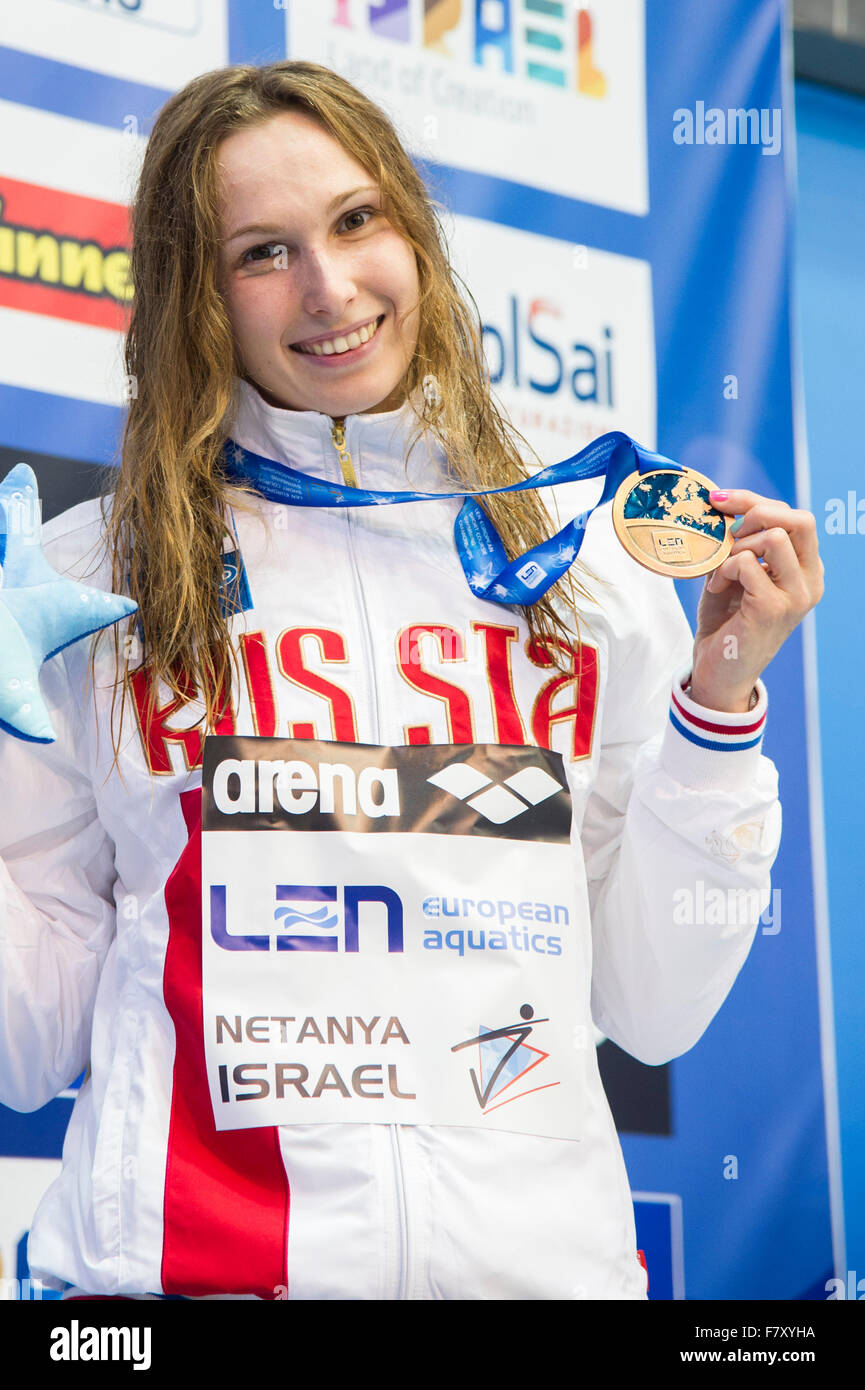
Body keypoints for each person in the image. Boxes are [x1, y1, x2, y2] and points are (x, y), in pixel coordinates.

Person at [0, 60, 823, 1301]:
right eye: (262, 252)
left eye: (355, 220)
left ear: (414, 234)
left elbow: (650, 1005)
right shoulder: (89, 584)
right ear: (196, 296)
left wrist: (715, 707)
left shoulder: (585, 567)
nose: (329, 288)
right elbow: (29, 1042)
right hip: (183, 1287)